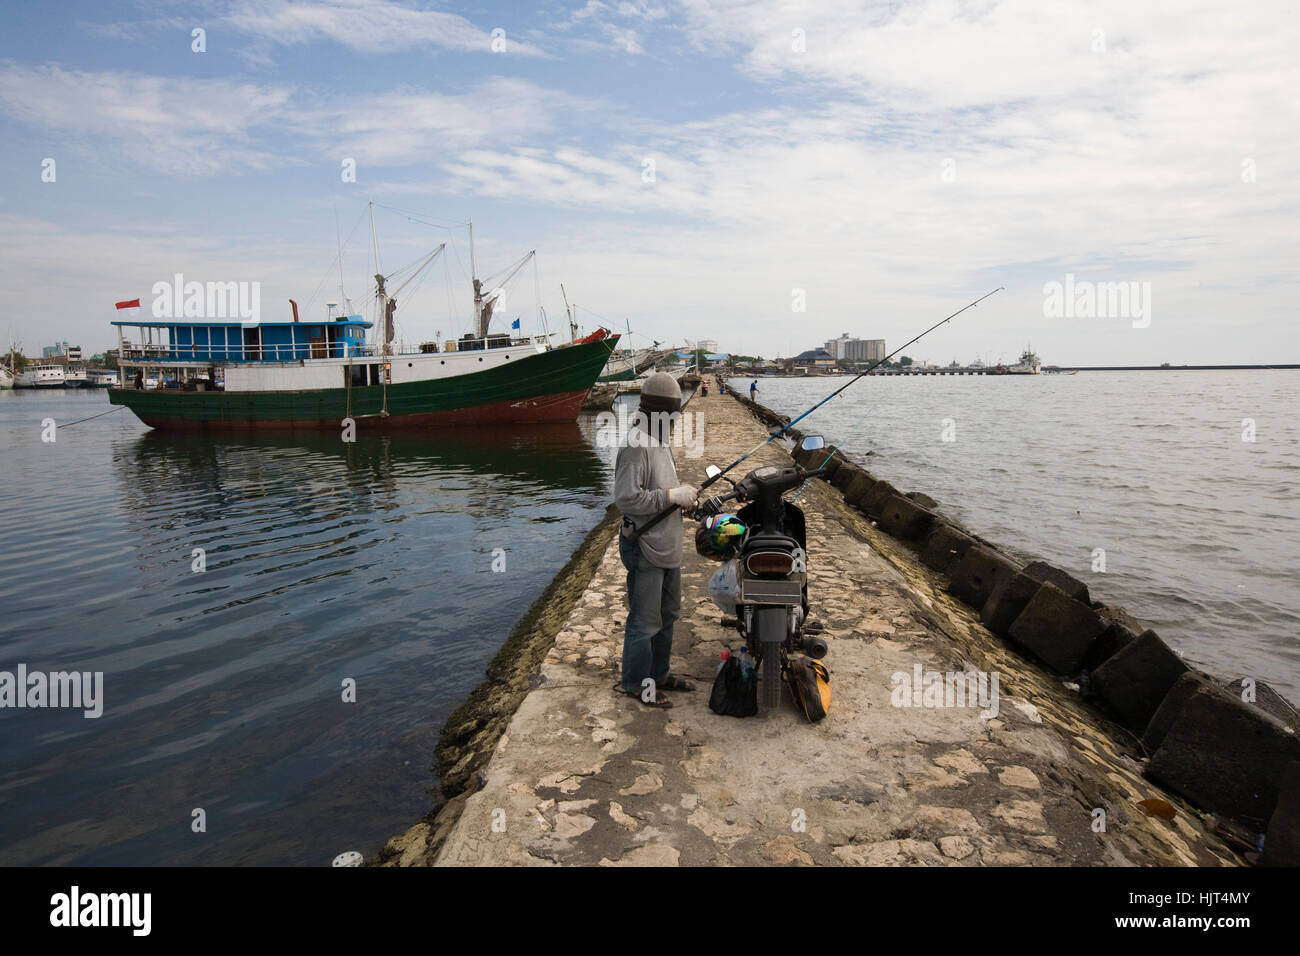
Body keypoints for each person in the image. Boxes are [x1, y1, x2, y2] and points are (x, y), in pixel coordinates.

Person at [614, 372, 698, 709]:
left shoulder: (659, 439)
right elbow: (628, 499)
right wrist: (671, 496)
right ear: (654, 410)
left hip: (668, 546)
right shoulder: (636, 445)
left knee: (668, 615)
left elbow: (660, 492)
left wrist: (681, 502)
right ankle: (635, 682)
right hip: (645, 548)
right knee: (645, 621)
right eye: (671, 412)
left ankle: (659, 674)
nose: (675, 419)